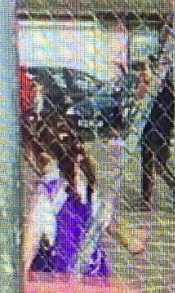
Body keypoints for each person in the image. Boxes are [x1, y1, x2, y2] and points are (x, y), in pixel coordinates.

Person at [22, 114, 144, 278]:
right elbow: (104, 217)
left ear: (37, 154)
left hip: (57, 280)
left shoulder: (47, 193)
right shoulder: (83, 180)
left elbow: (29, 246)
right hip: (94, 276)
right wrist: (129, 240)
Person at [137, 59, 175, 211]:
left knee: (161, 164)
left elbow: (170, 112)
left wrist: (168, 131)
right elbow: (138, 102)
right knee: (147, 163)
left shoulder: (167, 88)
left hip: (160, 131)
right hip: (147, 129)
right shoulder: (148, 87)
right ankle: (146, 198)